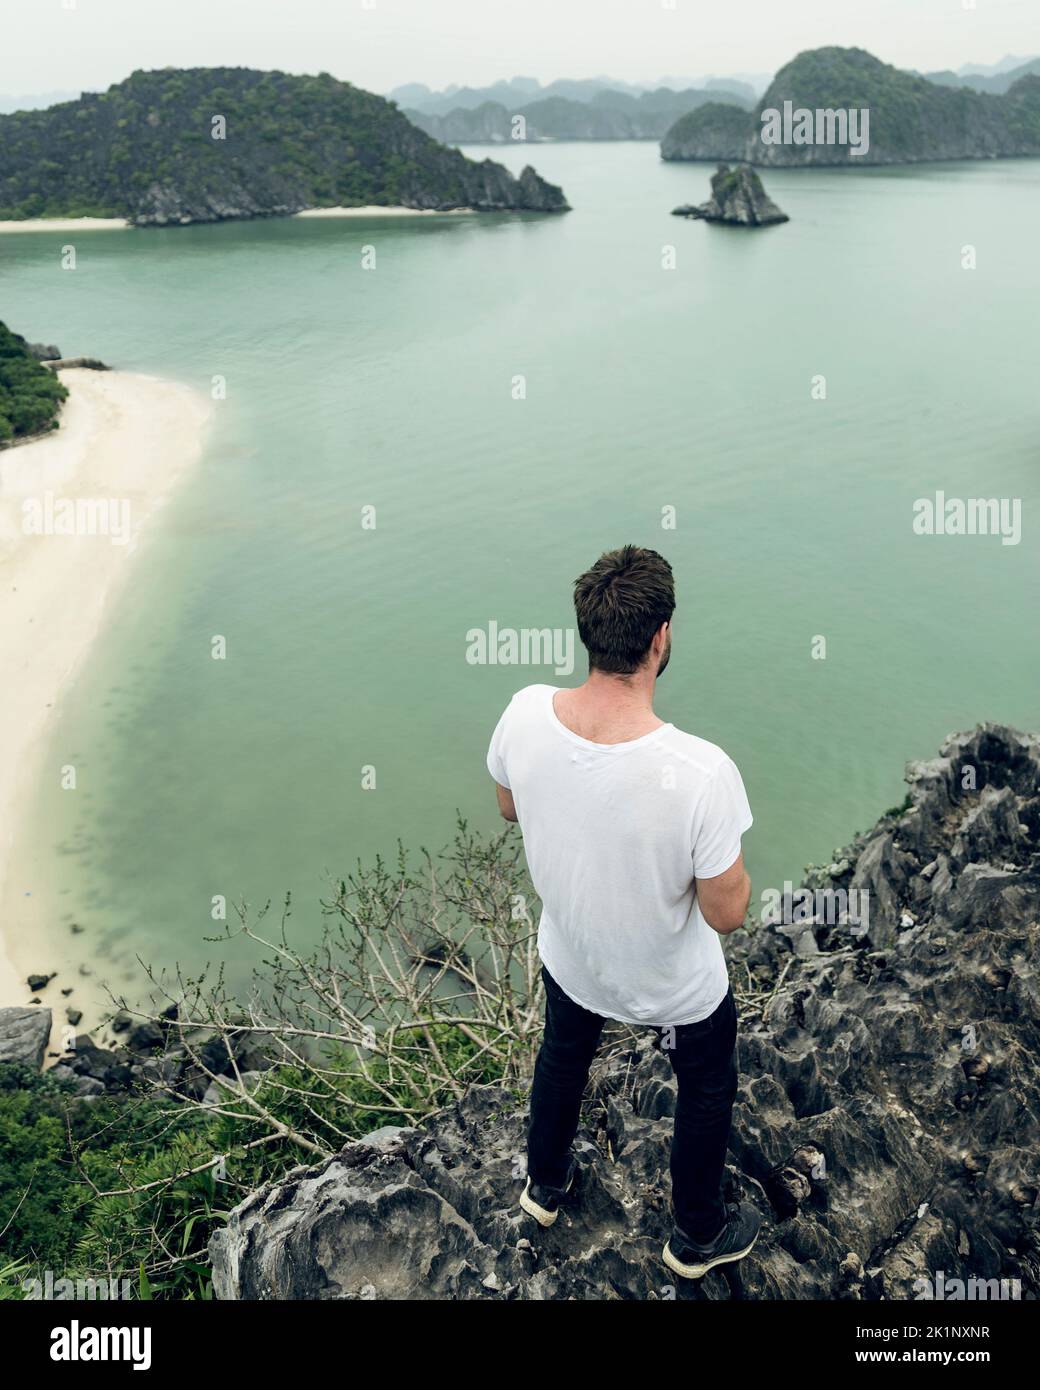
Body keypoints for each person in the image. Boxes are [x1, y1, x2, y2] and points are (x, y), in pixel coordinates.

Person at [486, 544, 761, 1279]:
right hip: (673, 989)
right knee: (704, 1086)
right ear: (661, 636)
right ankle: (696, 1235)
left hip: (574, 958)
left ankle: (545, 1186)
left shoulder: (522, 715)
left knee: (564, 1054)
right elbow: (727, 913)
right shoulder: (703, 773)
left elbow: (509, 806)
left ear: (586, 631)